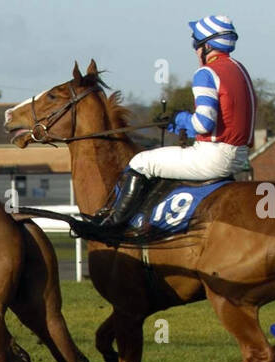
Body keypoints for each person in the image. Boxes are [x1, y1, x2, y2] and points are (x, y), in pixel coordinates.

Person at [82, 14, 255, 228]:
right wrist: (179, 125)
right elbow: (227, 124)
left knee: (140, 162)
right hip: (240, 156)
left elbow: (203, 124)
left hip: (213, 157)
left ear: (208, 46)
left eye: (196, 43)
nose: (195, 49)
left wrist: (181, 118)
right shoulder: (240, 70)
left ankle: (114, 225)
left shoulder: (206, 73)